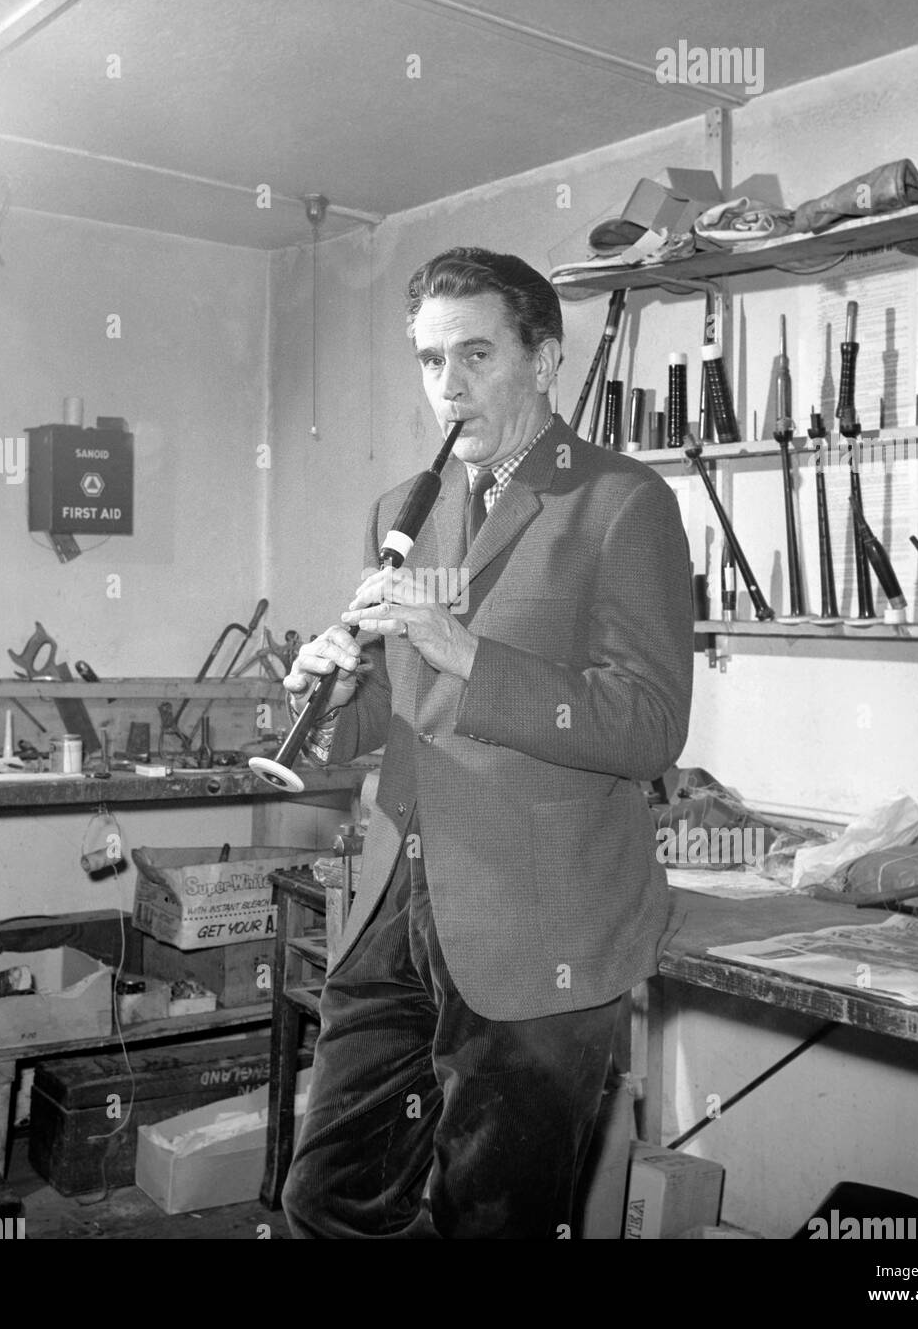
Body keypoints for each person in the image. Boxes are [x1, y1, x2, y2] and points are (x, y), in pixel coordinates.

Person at [279, 247, 693, 1238]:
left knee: (491, 1220)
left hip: (535, 920)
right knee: (326, 1199)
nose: (447, 387)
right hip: (394, 901)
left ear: (544, 359)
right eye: (429, 361)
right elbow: (395, 712)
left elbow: (645, 726)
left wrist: (465, 649)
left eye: (474, 355)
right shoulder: (402, 511)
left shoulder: (622, 503)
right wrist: (326, 694)